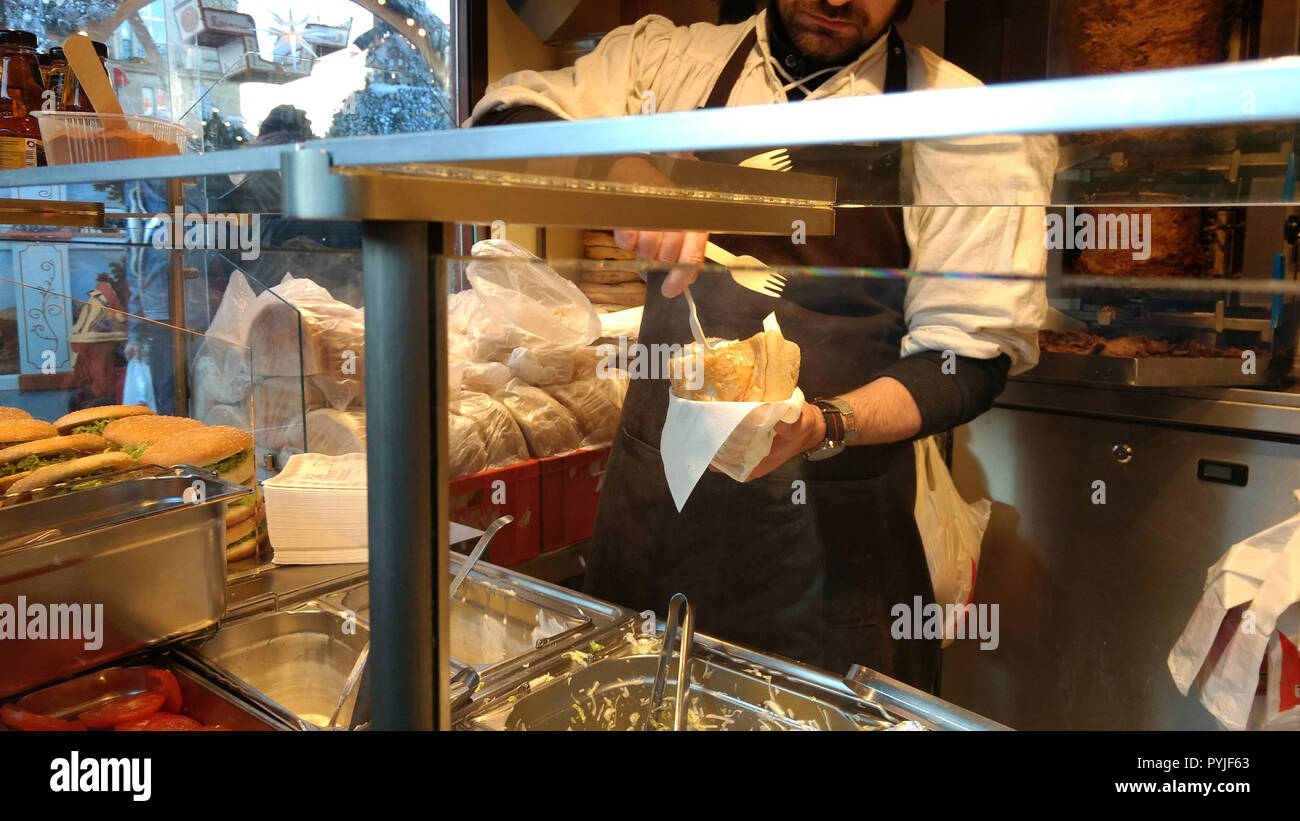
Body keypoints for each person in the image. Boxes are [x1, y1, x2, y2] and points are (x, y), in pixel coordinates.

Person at [471, 0, 1055, 690]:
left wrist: (826, 423)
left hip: (837, 538)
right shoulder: (668, 65)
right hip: (655, 513)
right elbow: (506, 117)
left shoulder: (962, 121)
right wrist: (622, 174)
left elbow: (969, 357)